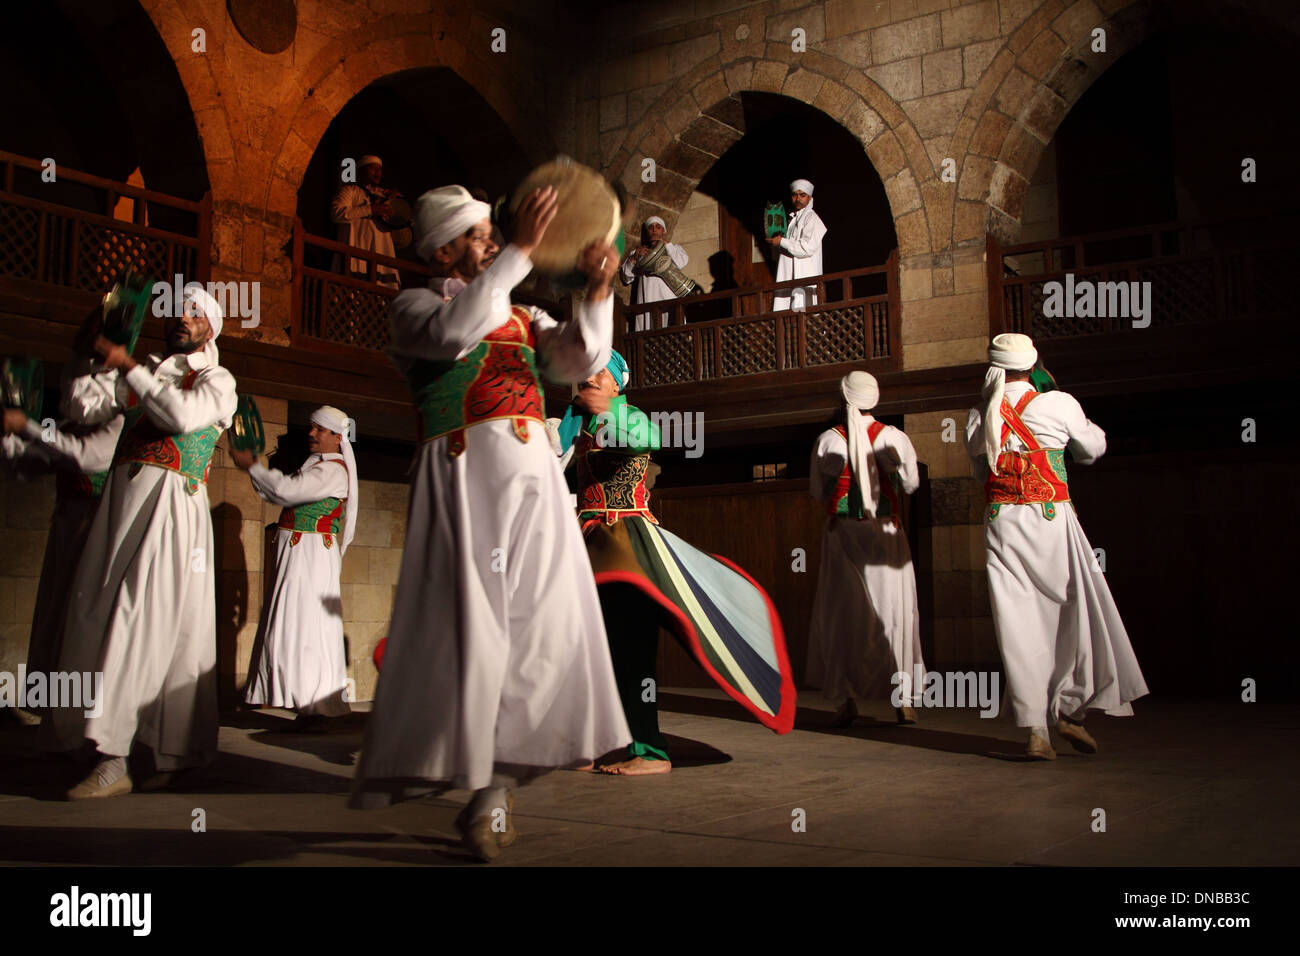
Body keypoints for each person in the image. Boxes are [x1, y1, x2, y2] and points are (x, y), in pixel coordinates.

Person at [350, 183, 630, 862]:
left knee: (541, 633)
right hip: (466, 484)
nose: (493, 245)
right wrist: (525, 249)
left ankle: (498, 785)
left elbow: (581, 360)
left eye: (492, 236)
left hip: (536, 486)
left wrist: (594, 292)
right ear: (443, 247)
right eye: (479, 236)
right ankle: (481, 790)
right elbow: (453, 333)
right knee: (477, 639)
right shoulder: (413, 307)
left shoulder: (526, 315)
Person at [548, 349, 795, 775]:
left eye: (597, 374)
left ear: (615, 384)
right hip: (586, 545)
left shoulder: (631, 417)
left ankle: (650, 750)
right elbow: (548, 455)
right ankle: (593, 742)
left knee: (631, 649)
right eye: (583, 374)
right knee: (583, 648)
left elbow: (649, 440)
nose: (587, 379)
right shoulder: (574, 424)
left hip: (627, 545)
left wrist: (607, 410)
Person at [51, 287, 237, 797]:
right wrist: (91, 354)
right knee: (95, 611)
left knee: (143, 619)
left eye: (195, 312)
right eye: (176, 309)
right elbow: (80, 405)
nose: (182, 317)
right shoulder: (143, 369)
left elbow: (179, 417)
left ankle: (116, 758)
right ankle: (96, 736)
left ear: (211, 328)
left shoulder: (217, 379)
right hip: (120, 508)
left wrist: (128, 365)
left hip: (171, 511)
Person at [964, 333, 1148, 760]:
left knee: (1018, 625)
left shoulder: (977, 415)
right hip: (1050, 519)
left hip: (1002, 522)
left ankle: (1036, 732)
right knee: (1072, 615)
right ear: (1033, 365)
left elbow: (980, 474)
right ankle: (1069, 709)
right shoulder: (1059, 403)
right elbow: (1091, 449)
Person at [806, 372, 925, 726]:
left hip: (843, 534)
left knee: (841, 613)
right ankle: (902, 700)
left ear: (844, 399)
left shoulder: (828, 440)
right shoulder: (894, 438)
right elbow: (910, 484)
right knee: (894, 612)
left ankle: (843, 698)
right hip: (885, 534)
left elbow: (816, 491)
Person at [231, 405, 358, 731]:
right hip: (301, 553)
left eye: (319, 429)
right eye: (311, 427)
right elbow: (277, 491)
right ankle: (308, 703)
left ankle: (316, 706)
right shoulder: (317, 465)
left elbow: (286, 490)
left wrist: (255, 466)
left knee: (306, 625)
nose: (312, 434)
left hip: (311, 555)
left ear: (335, 435)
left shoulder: (332, 470)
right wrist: (255, 471)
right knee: (298, 625)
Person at [1, 387, 122, 726]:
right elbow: (37, 459)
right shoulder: (65, 423)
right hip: (66, 527)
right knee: (55, 617)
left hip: (97, 529)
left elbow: (82, 455)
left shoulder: (119, 421)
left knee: (82, 619)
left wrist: (27, 425)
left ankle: (87, 716)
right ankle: (56, 710)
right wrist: (12, 436)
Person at [330, 154, 400, 289]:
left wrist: (397, 205)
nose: (377, 173)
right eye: (372, 169)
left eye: (379, 170)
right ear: (361, 171)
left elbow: (402, 230)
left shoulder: (385, 196)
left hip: (381, 253)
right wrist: (370, 210)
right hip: (357, 251)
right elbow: (337, 214)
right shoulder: (350, 191)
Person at [618, 216, 689, 330]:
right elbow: (626, 277)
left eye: (658, 227)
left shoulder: (673, 248)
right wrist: (634, 258)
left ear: (663, 231)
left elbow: (681, 262)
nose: (654, 230)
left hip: (669, 300)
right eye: (651, 227)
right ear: (647, 232)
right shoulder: (638, 253)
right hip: (648, 301)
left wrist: (667, 245)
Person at [768, 178, 827, 312]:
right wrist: (775, 244)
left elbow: (806, 248)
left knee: (806, 313)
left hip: (805, 274)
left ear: (809, 197)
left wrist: (782, 241)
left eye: (802, 195)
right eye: (795, 195)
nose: (798, 198)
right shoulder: (791, 221)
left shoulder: (813, 219)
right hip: (788, 275)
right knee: (786, 313)